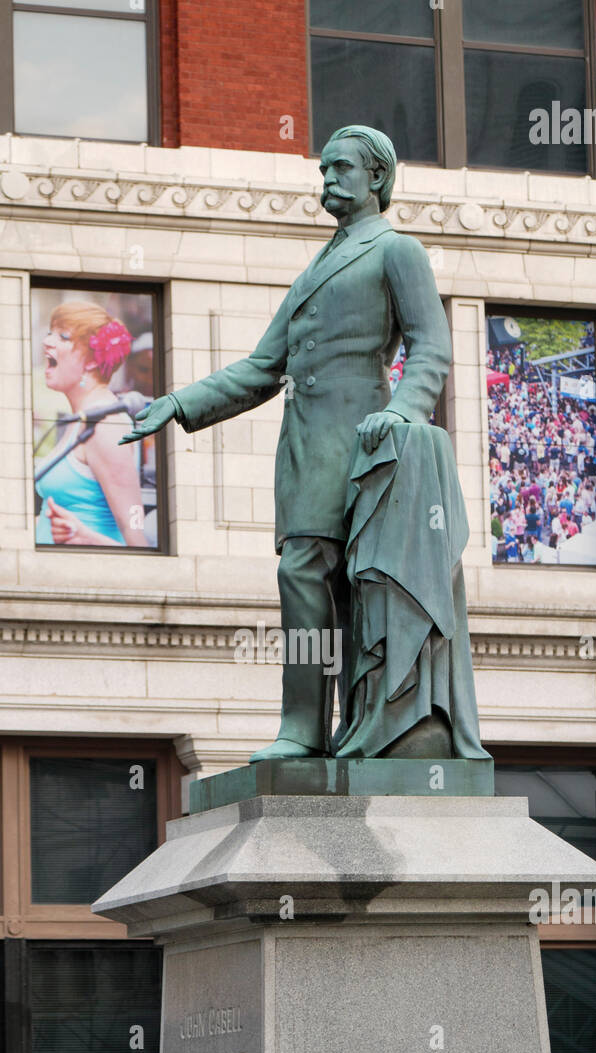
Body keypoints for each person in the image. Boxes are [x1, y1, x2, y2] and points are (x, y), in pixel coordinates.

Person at [122, 124, 486, 764]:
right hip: (303, 451)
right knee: (304, 578)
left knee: (350, 585)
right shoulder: (315, 267)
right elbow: (263, 367)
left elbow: (431, 345)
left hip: (365, 442)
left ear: (377, 177)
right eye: (323, 169)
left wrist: (402, 412)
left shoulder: (398, 250)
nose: (327, 179)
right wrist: (181, 403)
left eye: (341, 167)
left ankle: (359, 723)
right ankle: (306, 728)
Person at [36, 302, 148, 547]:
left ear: (91, 360)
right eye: (50, 333)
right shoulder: (82, 420)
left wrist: (84, 537)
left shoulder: (105, 425)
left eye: (63, 336)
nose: (47, 342)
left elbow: (138, 542)